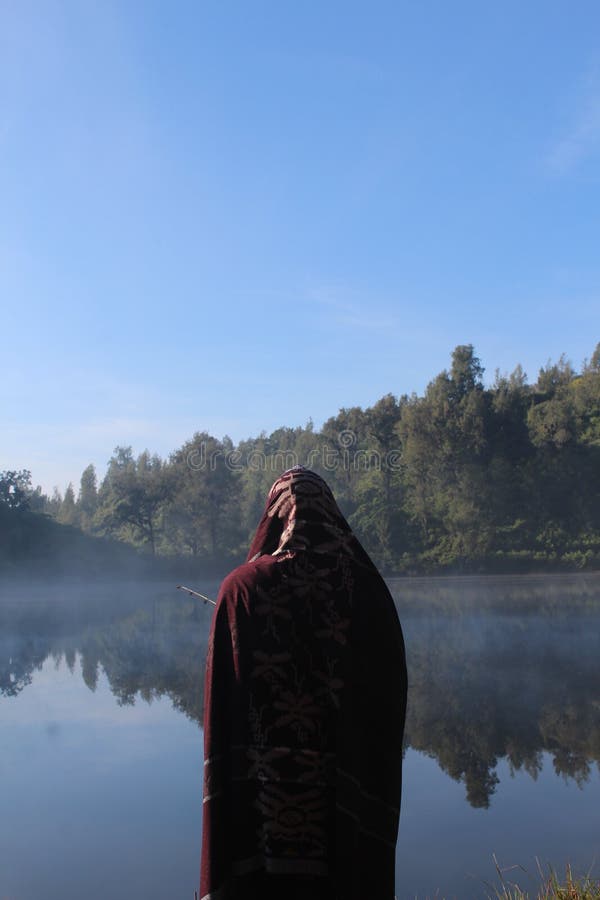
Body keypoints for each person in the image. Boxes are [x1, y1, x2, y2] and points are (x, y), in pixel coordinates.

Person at [200, 466, 407, 900]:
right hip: (342, 815)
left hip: (260, 812)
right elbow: (386, 696)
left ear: (274, 516)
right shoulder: (368, 592)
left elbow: (222, 707)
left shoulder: (240, 590)